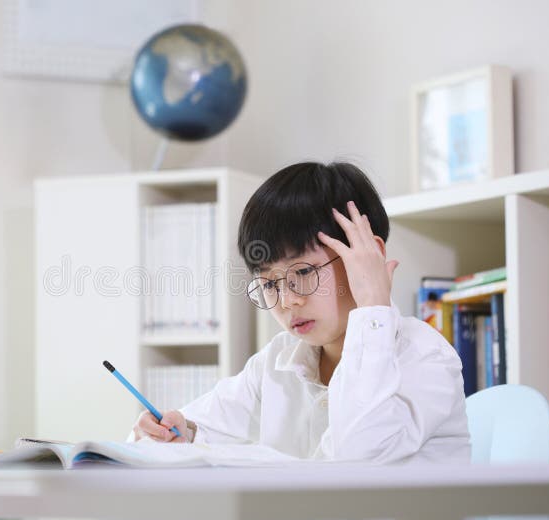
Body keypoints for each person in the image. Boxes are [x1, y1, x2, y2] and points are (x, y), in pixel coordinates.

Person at [131, 161, 470, 467]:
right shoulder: (277, 361)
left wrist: (373, 305)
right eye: (268, 283)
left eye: (303, 273)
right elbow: (193, 426)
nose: (287, 300)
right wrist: (174, 433)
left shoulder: (426, 358)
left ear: (367, 256)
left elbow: (358, 457)